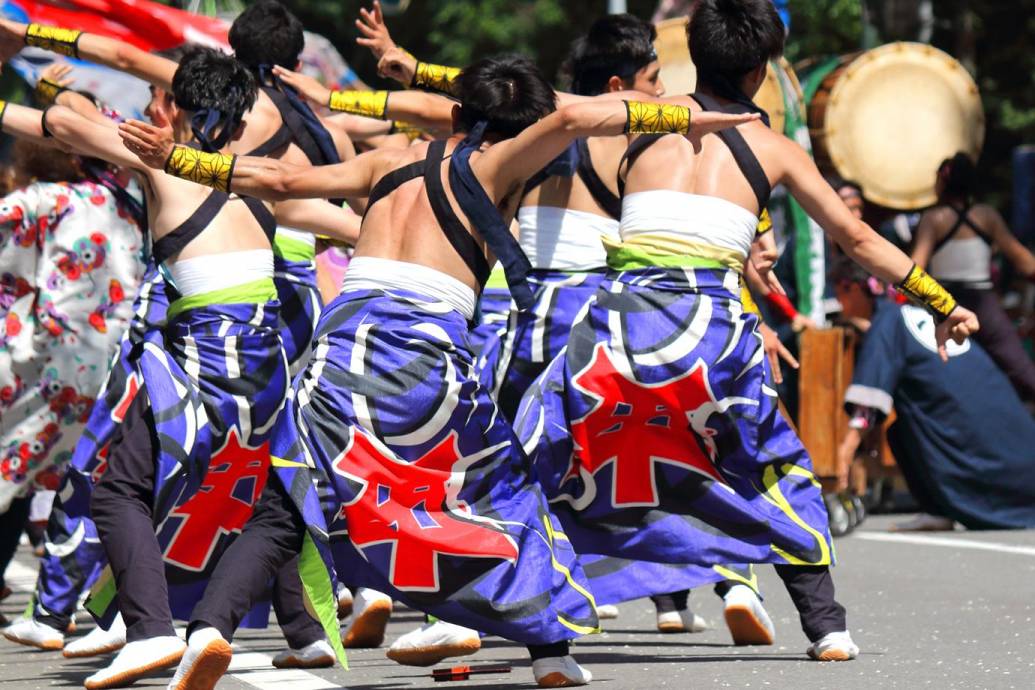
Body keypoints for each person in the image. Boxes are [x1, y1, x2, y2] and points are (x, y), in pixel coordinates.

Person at [120, 52, 755, 689]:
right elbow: (583, 116)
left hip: (341, 345)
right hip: (421, 349)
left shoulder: (388, 158)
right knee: (505, 491)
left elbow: (279, 184)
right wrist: (684, 118)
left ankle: (208, 630)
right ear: (524, 122)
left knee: (288, 502)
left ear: (456, 112)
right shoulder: (495, 163)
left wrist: (179, 159)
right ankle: (552, 655)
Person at [514, 0, 976, 664]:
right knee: (770, 466)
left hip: (617, 329)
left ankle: (549, 649)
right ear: (762, 68)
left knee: (547, 457)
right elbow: (854, 238)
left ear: (688, 55)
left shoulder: (637, 125)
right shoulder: (773, 148)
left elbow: (539, 104)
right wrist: (937, 301)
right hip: (710, 334)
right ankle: (826, 628)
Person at [333, 6, 775, 660]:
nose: (658, 89)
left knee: (496, 459)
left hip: (521, 311)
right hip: (602, 318)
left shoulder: (525, 127)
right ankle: (726, 582)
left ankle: (450, 600)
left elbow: (474, 98)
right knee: (645, 458)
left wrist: (381, 79)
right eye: (652, 76)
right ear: (624, 82)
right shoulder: (635, 134)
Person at [0, 42, 357, 689]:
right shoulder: (260, 179)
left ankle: (150, 631)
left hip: (204, 355)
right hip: (267, 366)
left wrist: (41, 94)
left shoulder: (161, 165)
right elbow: (339, 221)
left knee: (117, 491)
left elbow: (64, 125)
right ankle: (212, 627)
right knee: (273, 510)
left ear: (181, 109)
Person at [0, 128, 144, 615]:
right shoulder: (129, 205)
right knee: (49, 476)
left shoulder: (47, 199)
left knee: (12, 469)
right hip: (105, 369)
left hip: (40, 362)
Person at [834, 258, 1035, 530]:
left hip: (984, 459)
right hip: (1016, 447)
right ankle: (937, 510)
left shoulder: (888, 322)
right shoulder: (915, 315)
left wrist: (845, 451)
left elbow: (869, 400)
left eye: (839, 293)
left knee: (903, 429)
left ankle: (938, 509)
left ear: (853, 289)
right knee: (901, 429)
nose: (838, 304)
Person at [911, 152, 1035, 403]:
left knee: (943, 375)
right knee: (1023, 372)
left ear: (943, 182)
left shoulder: (934, 218)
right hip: (985, 305)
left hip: (944, 303)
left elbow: (915, 270)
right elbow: (1024, 261)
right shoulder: (986, 215)